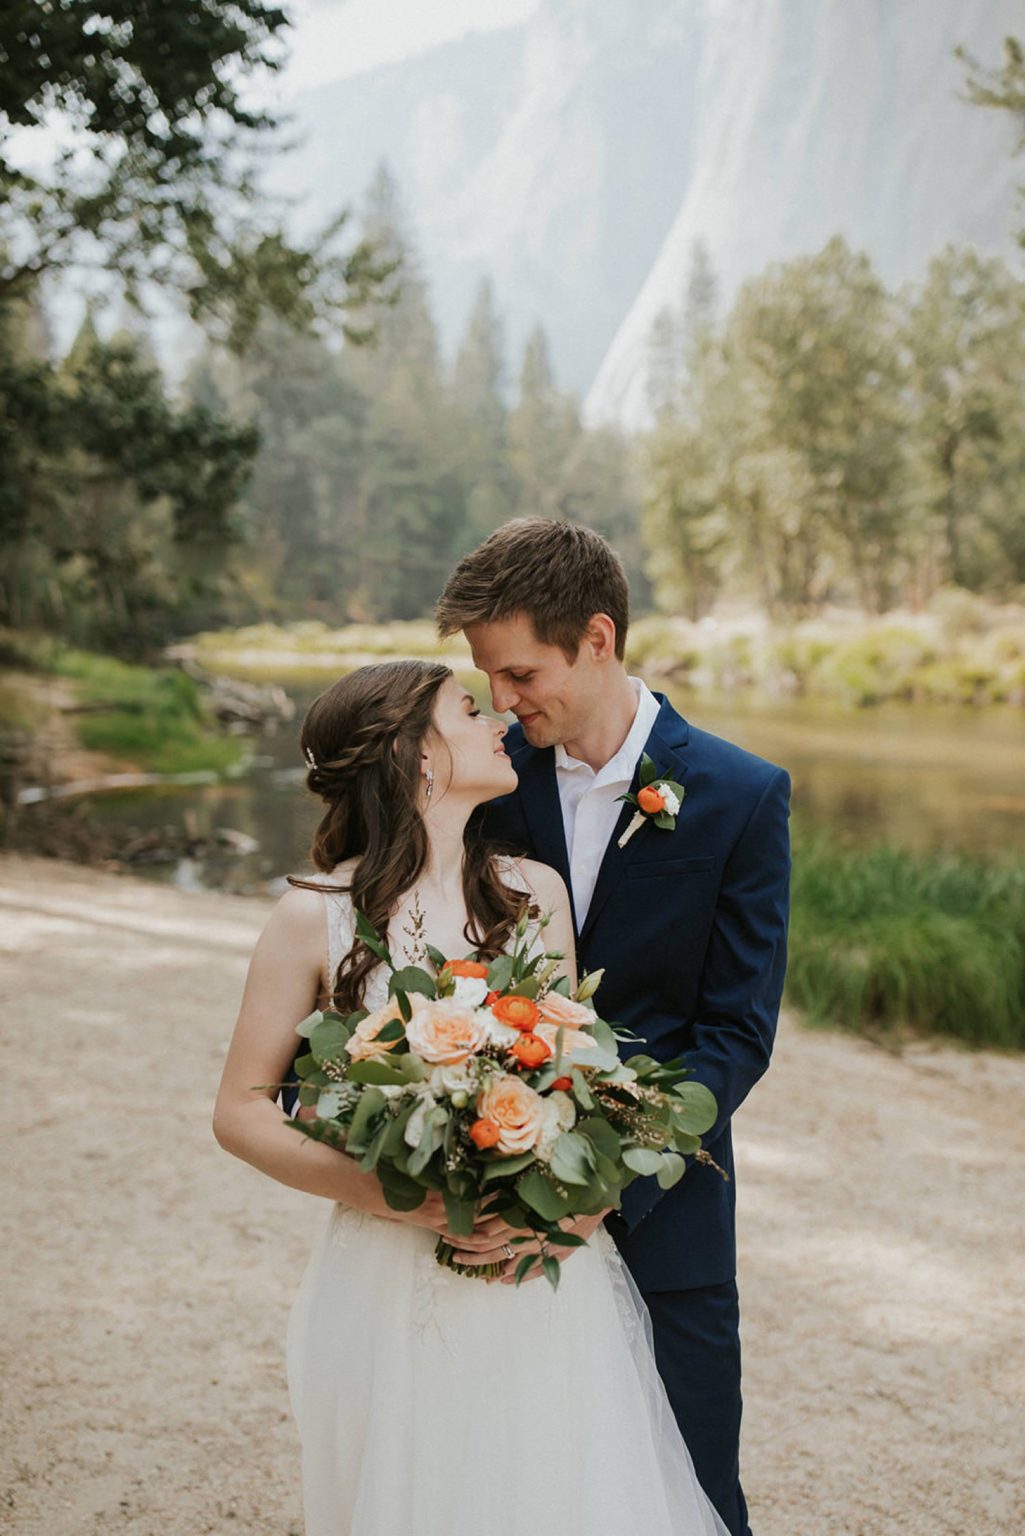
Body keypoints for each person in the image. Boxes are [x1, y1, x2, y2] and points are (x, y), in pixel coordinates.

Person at [213, 658, 728, 1536]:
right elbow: (241, 1109)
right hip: (390, 1269)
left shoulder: (535, 896)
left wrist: (569, 1209)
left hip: (539, 1262)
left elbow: (572, 1077)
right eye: (465, 707)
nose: (495, 716)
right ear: (417, 756)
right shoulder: (313, 917)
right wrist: (397, 1198)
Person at [435, 518, 791, 1536]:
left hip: (664, 1218)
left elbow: (732, 1036)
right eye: (487, 678)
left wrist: (602, 1178)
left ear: (596, 639)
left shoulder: (738, 796)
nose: (501, 700)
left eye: (519, 672)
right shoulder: (488, 780)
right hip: (497, 1201)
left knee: (692, 1492)